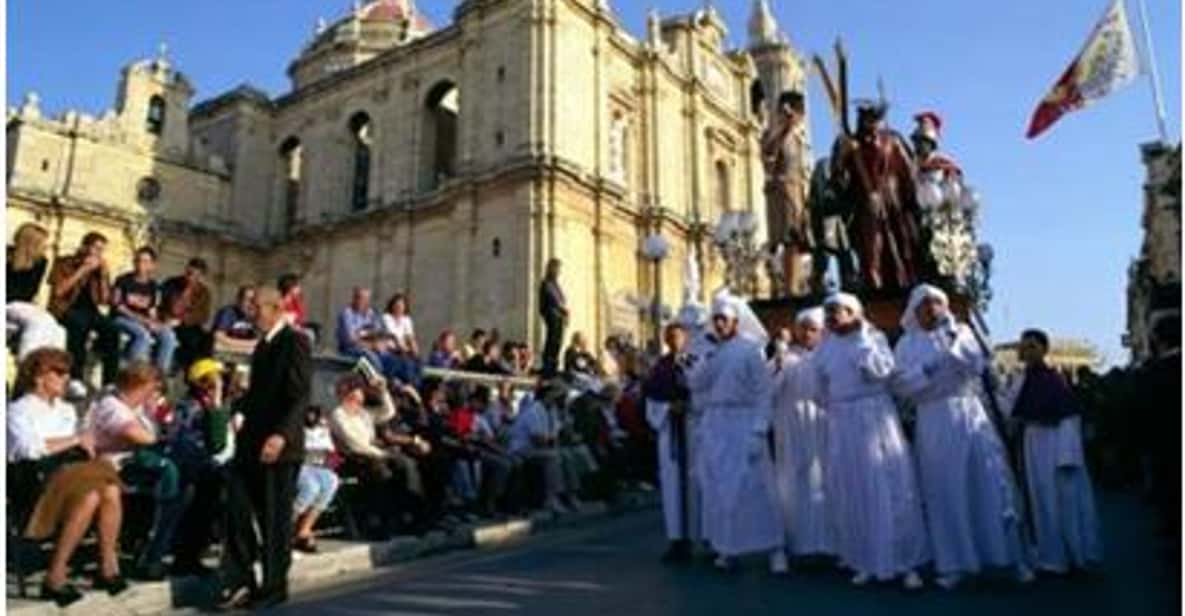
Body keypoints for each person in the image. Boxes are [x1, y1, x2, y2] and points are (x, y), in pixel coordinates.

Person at [893, 285, 1031, 588]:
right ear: (914, 310)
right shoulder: (906, 344)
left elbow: (978, 363)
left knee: (991, 483)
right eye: (925, 305)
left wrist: (954, 343)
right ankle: (953, 563)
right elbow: (901, 385)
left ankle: (1011, 557)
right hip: (933, 419)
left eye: (937, 304)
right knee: (944, 491)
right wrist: (926, 371)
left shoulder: (962, 331)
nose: (932, 310)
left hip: (969, 412)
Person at [813, 292, 927, 588]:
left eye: (838, 311)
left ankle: (905, 563)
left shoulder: (873, 339)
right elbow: (819, 390)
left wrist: (863, 339)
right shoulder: (825, 348)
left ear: (854, 313)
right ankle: (863, 558)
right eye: (828, 312)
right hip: (842, 421)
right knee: (853, 487)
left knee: (888, 485)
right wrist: (838, 408)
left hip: (873, 416)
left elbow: (881, 371)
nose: (832, 316)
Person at [217, 287, 312, 610]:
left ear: (275, 308)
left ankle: (274, 585)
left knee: (274, 519)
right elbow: (260, 393)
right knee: (237, 507)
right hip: (250, 443)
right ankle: (239, 579)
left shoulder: (295, 341)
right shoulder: (262, 346)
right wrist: (239, 407)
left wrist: (281, 435)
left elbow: (298, 394)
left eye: (257, 306)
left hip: (279, 445)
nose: (251, 311)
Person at [7, 348, 125, 606]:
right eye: (59, 373)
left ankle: (102, 565)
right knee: (101, 482)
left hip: (71, 474)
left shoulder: (65, 410)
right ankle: (64, 573)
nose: (65, 378)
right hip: (35, 481)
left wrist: (77, 442)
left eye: (67, 373)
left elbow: (68, 445)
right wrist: (73, 440)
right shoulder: (18, 411)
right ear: (39, 376)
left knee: (104, 491)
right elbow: (29, 449)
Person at [687, 294, 784, 574]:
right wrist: (695, 365)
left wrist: (758, 430)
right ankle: (727, 547)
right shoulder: (712, 352)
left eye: (723, 319)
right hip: (718, 425)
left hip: (743, 423)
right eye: (715, 319)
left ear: (736, 322)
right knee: (721, 489)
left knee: (755, 486)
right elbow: (698, 385)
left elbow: (763, 392)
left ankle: (774, 547)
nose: (718, 324)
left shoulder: (749, 351)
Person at [998, 328, 1102, 575]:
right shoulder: (1019, 379)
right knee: (1040, 500)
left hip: (1056, 446)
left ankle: (1076, 554)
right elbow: (1010, 409)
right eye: (1023, 346)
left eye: (1032, 346)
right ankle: (1050, 556)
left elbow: (1068, 416)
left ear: (1044, 349)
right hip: (1032, 443)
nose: (1026, 351)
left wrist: (1068, 456)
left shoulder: (1054, 379)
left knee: (1064, 500)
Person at [85, 362, 178, 580]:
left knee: (186, 474)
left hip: (132, 464)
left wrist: (153, 414)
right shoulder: (111, 405)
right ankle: (150, 552)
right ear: (140, 386)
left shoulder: (136, 407)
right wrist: (155, 429)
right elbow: (141, 437)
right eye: (153, 387)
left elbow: (157, 432)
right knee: (169, 472)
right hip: (110, 466)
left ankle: (155, 546)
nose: (155, 392)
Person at [832, 100, 922, 291]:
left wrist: (912, 204)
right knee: (871, 251)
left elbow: (907, 174)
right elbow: (838, 181)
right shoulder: (849, 144)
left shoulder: (893, 141)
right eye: (865, 119)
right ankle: (874, 290)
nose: (870, 124)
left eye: (874, 119)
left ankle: (904, 287)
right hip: (864, 205)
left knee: (900, 248)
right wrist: (842, 159)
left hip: (893, 203)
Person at [329, 374, 429, 535]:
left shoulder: (362, 413)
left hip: (373, 456)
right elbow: (356, 444)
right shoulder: (339, 415)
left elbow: (388, 412)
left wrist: (383, 391)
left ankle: (411, 515)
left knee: (406, 465)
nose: (363, 393)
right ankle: (382, 521)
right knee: (383, 472)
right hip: (354, 459)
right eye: (359, 390)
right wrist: (382, 454)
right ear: (350, 394)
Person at [770, 307, 832, 562]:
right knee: (793, 480)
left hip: (822, 423)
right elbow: (769, 388)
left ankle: (829, 543)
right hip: (791, 424)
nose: (808, 334)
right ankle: (798, 543)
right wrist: (778, 360)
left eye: (813, 329)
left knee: (823, 478)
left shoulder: (828, 356)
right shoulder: (788, 358)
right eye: (803, 328)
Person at [164, 358, 235, 577]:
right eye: (216, 381)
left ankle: (198, 553)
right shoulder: (192, 407)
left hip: (206, 466)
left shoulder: (209, 405)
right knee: (197, 511)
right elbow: (215, 443)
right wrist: (216, 406)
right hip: (193, 467)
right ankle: (186, 558)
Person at [643, 322, 698, 563]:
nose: (674, 340)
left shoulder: (695, 364)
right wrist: (668, 408)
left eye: (678, 336)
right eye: (670, 337)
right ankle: (677, 539)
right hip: (670, 432)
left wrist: (690, 406)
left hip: (692, 429)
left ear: (685, 338)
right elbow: (651, 400)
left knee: (696, 483)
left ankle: (701, 536)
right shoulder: (660, 368)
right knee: (673, 485)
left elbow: (705, 393)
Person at [48, 231, 119, 383]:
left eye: (102, 250)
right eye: (96, 249)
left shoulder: (98, 270)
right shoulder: (64, 262)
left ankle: (110, 382)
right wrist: (82, 270)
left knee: (112, 330)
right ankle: (75, 377)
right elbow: (59, 291)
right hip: (65, 308)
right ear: (84, 247)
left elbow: (104, 300)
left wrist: (102, 276)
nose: (99, 254)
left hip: (91, 310)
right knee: (79, 325)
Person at [760, 90, 813, 295]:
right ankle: (787, 288)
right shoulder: (774, 135)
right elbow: (768, 154)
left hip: (801, 193)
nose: (790, 116)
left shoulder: (801, 138)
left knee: (799, 242)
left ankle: (798, 284)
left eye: (796, 112)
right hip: (783, 193)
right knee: (788, 240)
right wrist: (783, 129)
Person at [112, 246, 178, 375]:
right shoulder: (122, 280)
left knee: (169, 336)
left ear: (152, 265)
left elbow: (152, 310)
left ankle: (159, 376)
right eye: (138, 260)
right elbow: (118, 306)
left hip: (144, 320)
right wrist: (142, 320)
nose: (140, 264)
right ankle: (132, 373)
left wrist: (158, 324)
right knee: (143, 335)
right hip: (122, 319)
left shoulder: (153, 286)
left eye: (145, 261)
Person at [7, 222, 68, 360]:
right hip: (8, 304)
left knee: (59, 330)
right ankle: (26, 365)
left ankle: (53, 369)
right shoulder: (7, 256)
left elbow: (31, 292)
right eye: (43, 244)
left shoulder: (41, 262)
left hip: (22, 305)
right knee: (37, 322)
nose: (46, 247)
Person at [293, 405, 340, 553]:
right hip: (300, 465)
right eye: (309, 415)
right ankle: (285, 527)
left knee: (332, 483)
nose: (311, 418)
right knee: (311, 488)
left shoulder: (323, 431)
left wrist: (330, 461)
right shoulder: (296, 429)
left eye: (315, 415)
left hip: (320, 465)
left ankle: (304, 530)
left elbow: (331, 453)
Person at [159, 257, 213, 371]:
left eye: (195, 276)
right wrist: (186, 291)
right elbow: (166, 306)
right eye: (189, 273)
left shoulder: (204, 292)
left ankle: (200, 370)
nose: (190, 277)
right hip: (169, 321)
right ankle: (179, 366)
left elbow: (203, 315)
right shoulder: (171, 284)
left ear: (201, 277)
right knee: (189, 339)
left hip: (188, 324)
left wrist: (184, 320)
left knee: (207, 338)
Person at [539, 258, 569, 377]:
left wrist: (565, 312)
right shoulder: (546, 283)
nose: (559, 272)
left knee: (557, 341)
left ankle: (553, 365)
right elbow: (554, 299)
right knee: (552, 340)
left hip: (559, 315)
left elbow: (562, 299)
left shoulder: (556, 284)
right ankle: (548, 366)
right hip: (552, 314)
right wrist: (563, 308)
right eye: (557, 269)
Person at [212, 285, 260, 355]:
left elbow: (259, 340)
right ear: (239, 299)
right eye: (248, 300)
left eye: (254, 301)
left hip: (243, 354)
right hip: (223, 353)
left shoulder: (255, 316)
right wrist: (248, 344)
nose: (251, 304)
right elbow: (219, 337)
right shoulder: (228, 312)